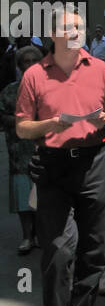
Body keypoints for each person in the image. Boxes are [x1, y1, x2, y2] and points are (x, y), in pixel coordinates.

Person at [15, 10, 105, 306]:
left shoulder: (101, 69)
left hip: (95, 161)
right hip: (53, 164)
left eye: (78, 26)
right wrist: (49, 125)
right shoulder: (35, 74)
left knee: (95, 243)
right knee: (59, 247)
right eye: (66, 27)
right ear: (53, 35)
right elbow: (21, 127)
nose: (74, 32)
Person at [1, 44, 43, 251]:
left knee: (45, 194)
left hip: (45, 150)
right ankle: (27, 236)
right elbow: (2, 115)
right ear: (19, 65)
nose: (30, 65)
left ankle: (43, 233)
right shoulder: (9, 90)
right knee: (23, 194)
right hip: (19, 151)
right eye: (26, 61)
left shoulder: (50, 87)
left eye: (34, 61)